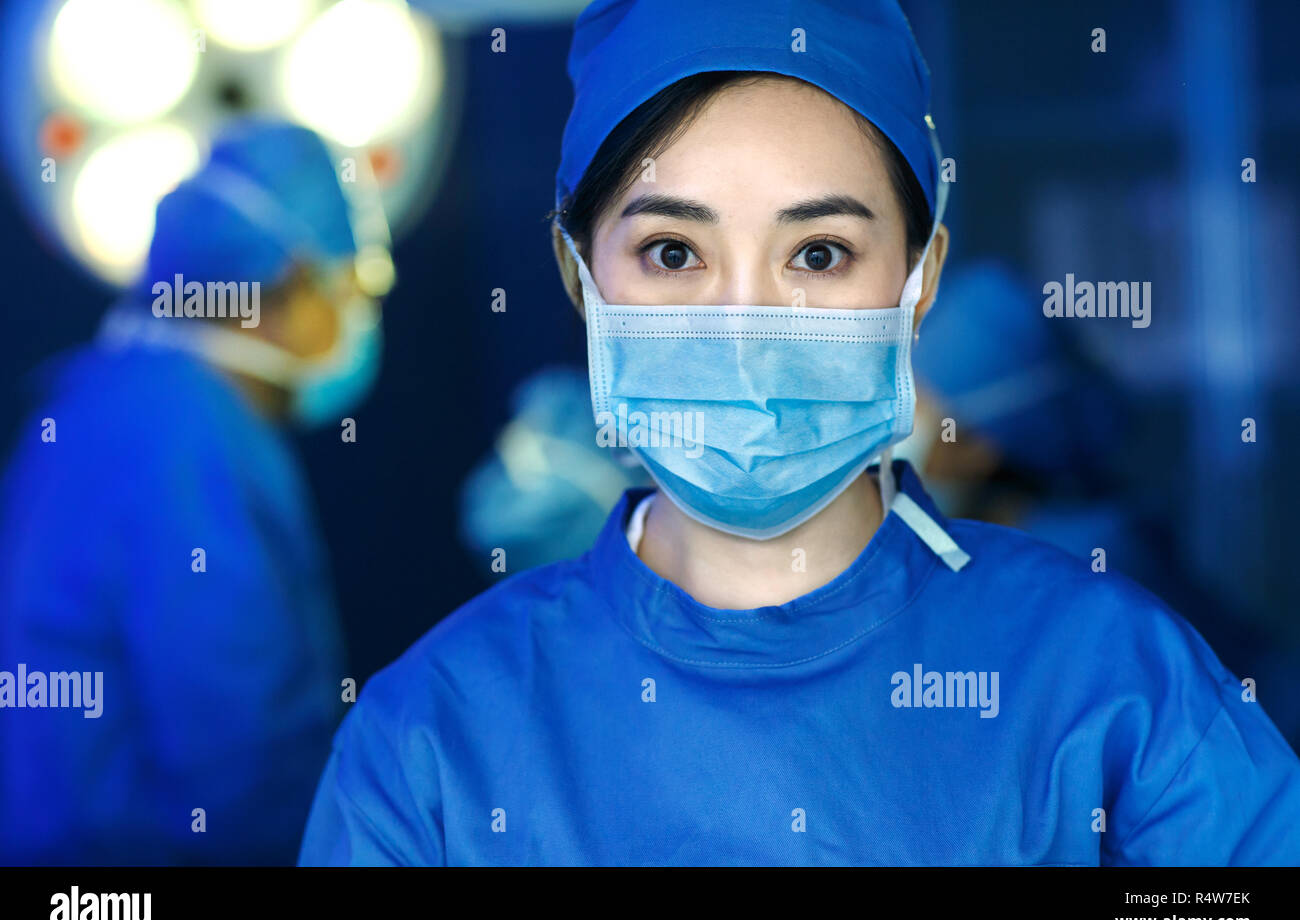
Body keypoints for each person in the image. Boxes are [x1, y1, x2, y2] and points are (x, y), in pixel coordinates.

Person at [298, 0, 1300, 865]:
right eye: (671, 251)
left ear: (918, 282)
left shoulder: (1112, 691)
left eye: (818, 253)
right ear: (578, 275)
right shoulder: (431, 745)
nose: (743, 331)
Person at [0, 118, 390, 864]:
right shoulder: (193, 441)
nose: (362, 315)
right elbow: (241, 757)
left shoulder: (105, 401)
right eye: (357, 285)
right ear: (293, 281)